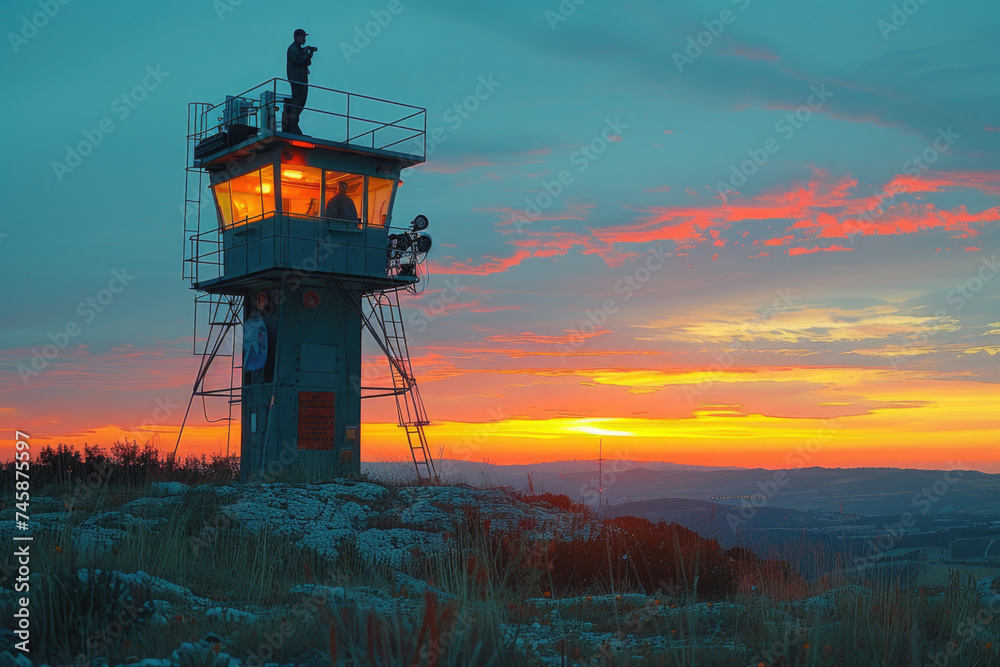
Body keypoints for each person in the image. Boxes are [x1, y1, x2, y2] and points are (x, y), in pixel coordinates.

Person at [285, 28, 314, 134]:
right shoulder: (292, 49)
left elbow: (307, 62)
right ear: (297, 37)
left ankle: (293, 125)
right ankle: (293, 126)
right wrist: (306, 52)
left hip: (301, 78)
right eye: (303, 37)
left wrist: (308, 53)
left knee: (301, 102)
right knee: (298, 101)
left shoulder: (298, 49)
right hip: (297, 79)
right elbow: (299, 59)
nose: (304, 39)